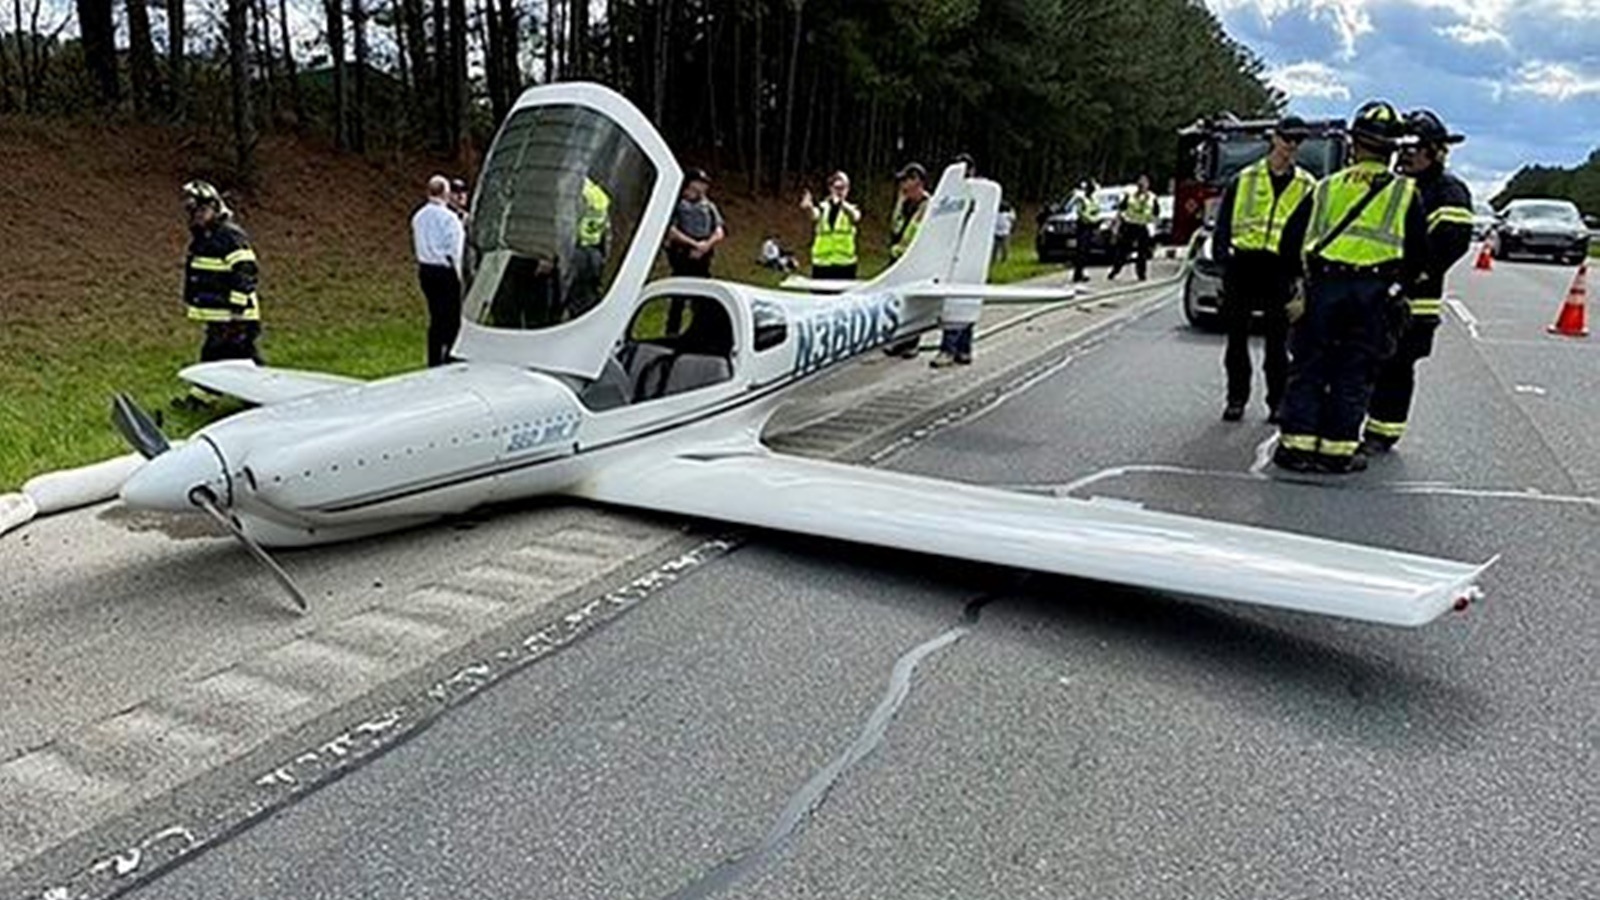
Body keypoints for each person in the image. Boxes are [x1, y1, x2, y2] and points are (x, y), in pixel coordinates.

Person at [1272, 100, 1429, 475]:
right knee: (1354, 371)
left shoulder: (1326, 188)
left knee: (1309, 366)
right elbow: (1419, 255)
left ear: (1354, 145)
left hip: (1324, 288)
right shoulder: (1405, 193)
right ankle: (1337, 451)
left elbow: (1289, 241)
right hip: (1373, 293)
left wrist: (1297, 283)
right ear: (1392, 151)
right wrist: (1397, 288)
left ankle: (1296, 447)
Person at [1362, 109, 1473, 454]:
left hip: (1414, 302)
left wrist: (1409, 275)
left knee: (1396, 367)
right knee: (1368, 362)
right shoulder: (1395, 185)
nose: (1406, 155)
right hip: (1379, 294)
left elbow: (1451, 242)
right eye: (1403, 147)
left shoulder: (1447, 190)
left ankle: (1382, 433)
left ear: (1436, 151)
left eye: (1416, 148)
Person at [1212, 116, 1318, 422]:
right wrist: (1222, 263)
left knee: (1277, 343)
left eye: (1298, 141)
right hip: (1243, 264)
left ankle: (1277, 402)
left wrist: (1301, 276)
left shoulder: (1307, 185)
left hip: (1280, 268)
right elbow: (1223, 223)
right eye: (1287, 139)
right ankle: (1236, 398)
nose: (1292, 145)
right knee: (1236, 340)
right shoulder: (1245, 178)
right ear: (1274, 138)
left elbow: (1312, 232)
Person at [176, 180, 263, 409]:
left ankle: (260, 400)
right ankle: (205, 397)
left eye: (202, 211)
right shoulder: (204, 237)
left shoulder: (228, 236)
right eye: (194, 212)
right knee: (216, 354)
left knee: (239, 358)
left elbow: (246, 270)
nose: (197, 216)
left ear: (215, 208)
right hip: (220, 313)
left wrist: (237, 307)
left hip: (235, 315)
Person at [412, 174, 466, 367]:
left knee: (436, 316)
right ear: (446, 193)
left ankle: (434, 358)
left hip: (426, 270)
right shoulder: (449, 219)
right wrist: (461, 276)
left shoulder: (418, 217)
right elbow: (455, 250)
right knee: (452, 318)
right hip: (445, 271)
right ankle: (450, 356)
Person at [883, 162, 930, 358]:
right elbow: (895, 228)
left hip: (916, 261)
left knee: (914, 302)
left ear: (917, 181)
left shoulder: (929, 206)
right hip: (897, 258)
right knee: (898, 302)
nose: (902, 185)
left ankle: (912, 343)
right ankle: (899, 340)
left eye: (905, 180)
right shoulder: (903, 203)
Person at [665, 167, 725, 278]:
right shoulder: (678, 205)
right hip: (682, 251)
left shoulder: (708, 206)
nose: (702, 187)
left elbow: (719, 231)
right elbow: (672, 231)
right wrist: (694, 244)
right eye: (699, 183)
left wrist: (706, 245)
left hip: (704, 252)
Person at [801, 170, 861, 279]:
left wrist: (841, 203)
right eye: (837, 188)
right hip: (822, 264)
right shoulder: (822, 207)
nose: (840, 191)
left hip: (845, 264)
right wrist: (808, 207)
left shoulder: (851, 208)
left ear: (848, 189)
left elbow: (855, 217)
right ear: (830, 188)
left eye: (843, 188)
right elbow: (814, 215)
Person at [1108, 175, 1158, 282]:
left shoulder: (1152, 197)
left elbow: (1156, 213)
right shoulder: (1130, 196)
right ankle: (1115, 270)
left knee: (1142, 252)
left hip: (1142, 226)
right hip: (1129, 225)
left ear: (1148, 185)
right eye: (1140, 183)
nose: (1142, 186)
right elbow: (1121, 210)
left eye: (1144, 184)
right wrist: (1116, 226)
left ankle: (1141, 274)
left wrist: (1152, 225)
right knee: (1123, 250)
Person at [1069, 179, 1101, 283]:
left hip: (1091, 226)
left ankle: (1081, 272)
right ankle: (1077, 274)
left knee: (1086, 251)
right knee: (1081, 251)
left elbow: (1097, 210)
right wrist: (1092, 219)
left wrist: (1095, 220)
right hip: (1083, 226)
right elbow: (1081, 213)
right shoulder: (1082, 200)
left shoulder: (1093, 199)